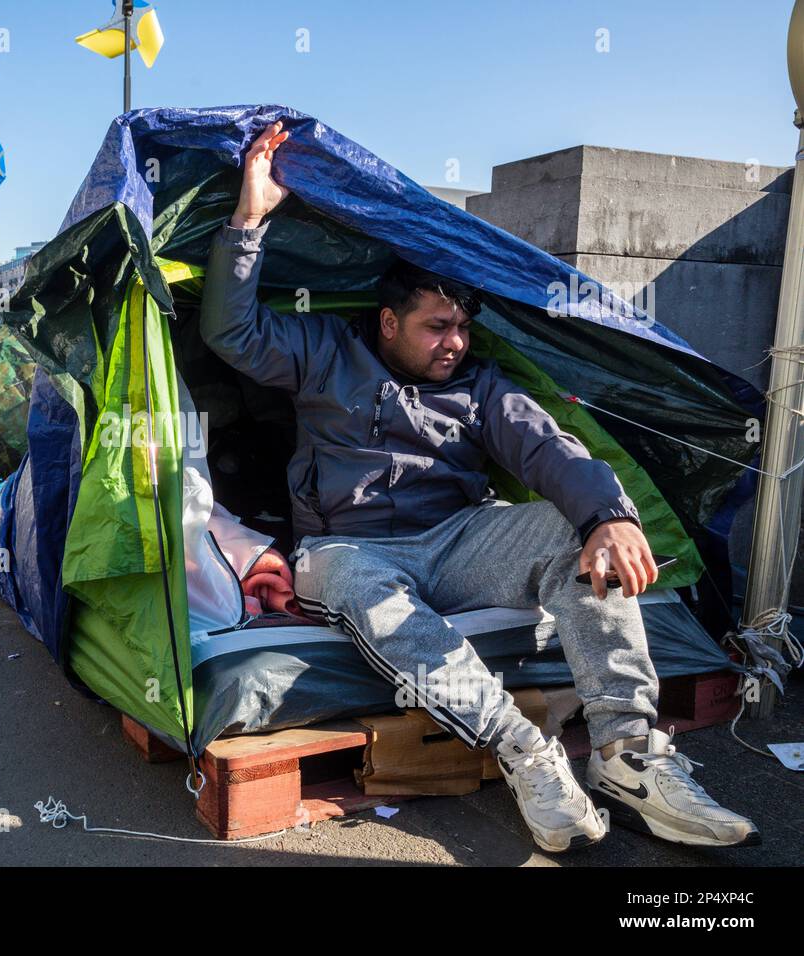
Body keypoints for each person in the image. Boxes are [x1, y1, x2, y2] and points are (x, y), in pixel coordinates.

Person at [200, 121, 757, 853]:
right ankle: (529, 756)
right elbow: (229, 331)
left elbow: (547, 449)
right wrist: (249, 221)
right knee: (369, 591)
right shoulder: (324, 352)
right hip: (349, 545)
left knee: (574, 533)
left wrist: (607, 514)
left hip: (459, 538)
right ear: (390, 321)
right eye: (437, 327)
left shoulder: (480, 385)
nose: (454, 342)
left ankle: (629, 756)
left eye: (463, 326)